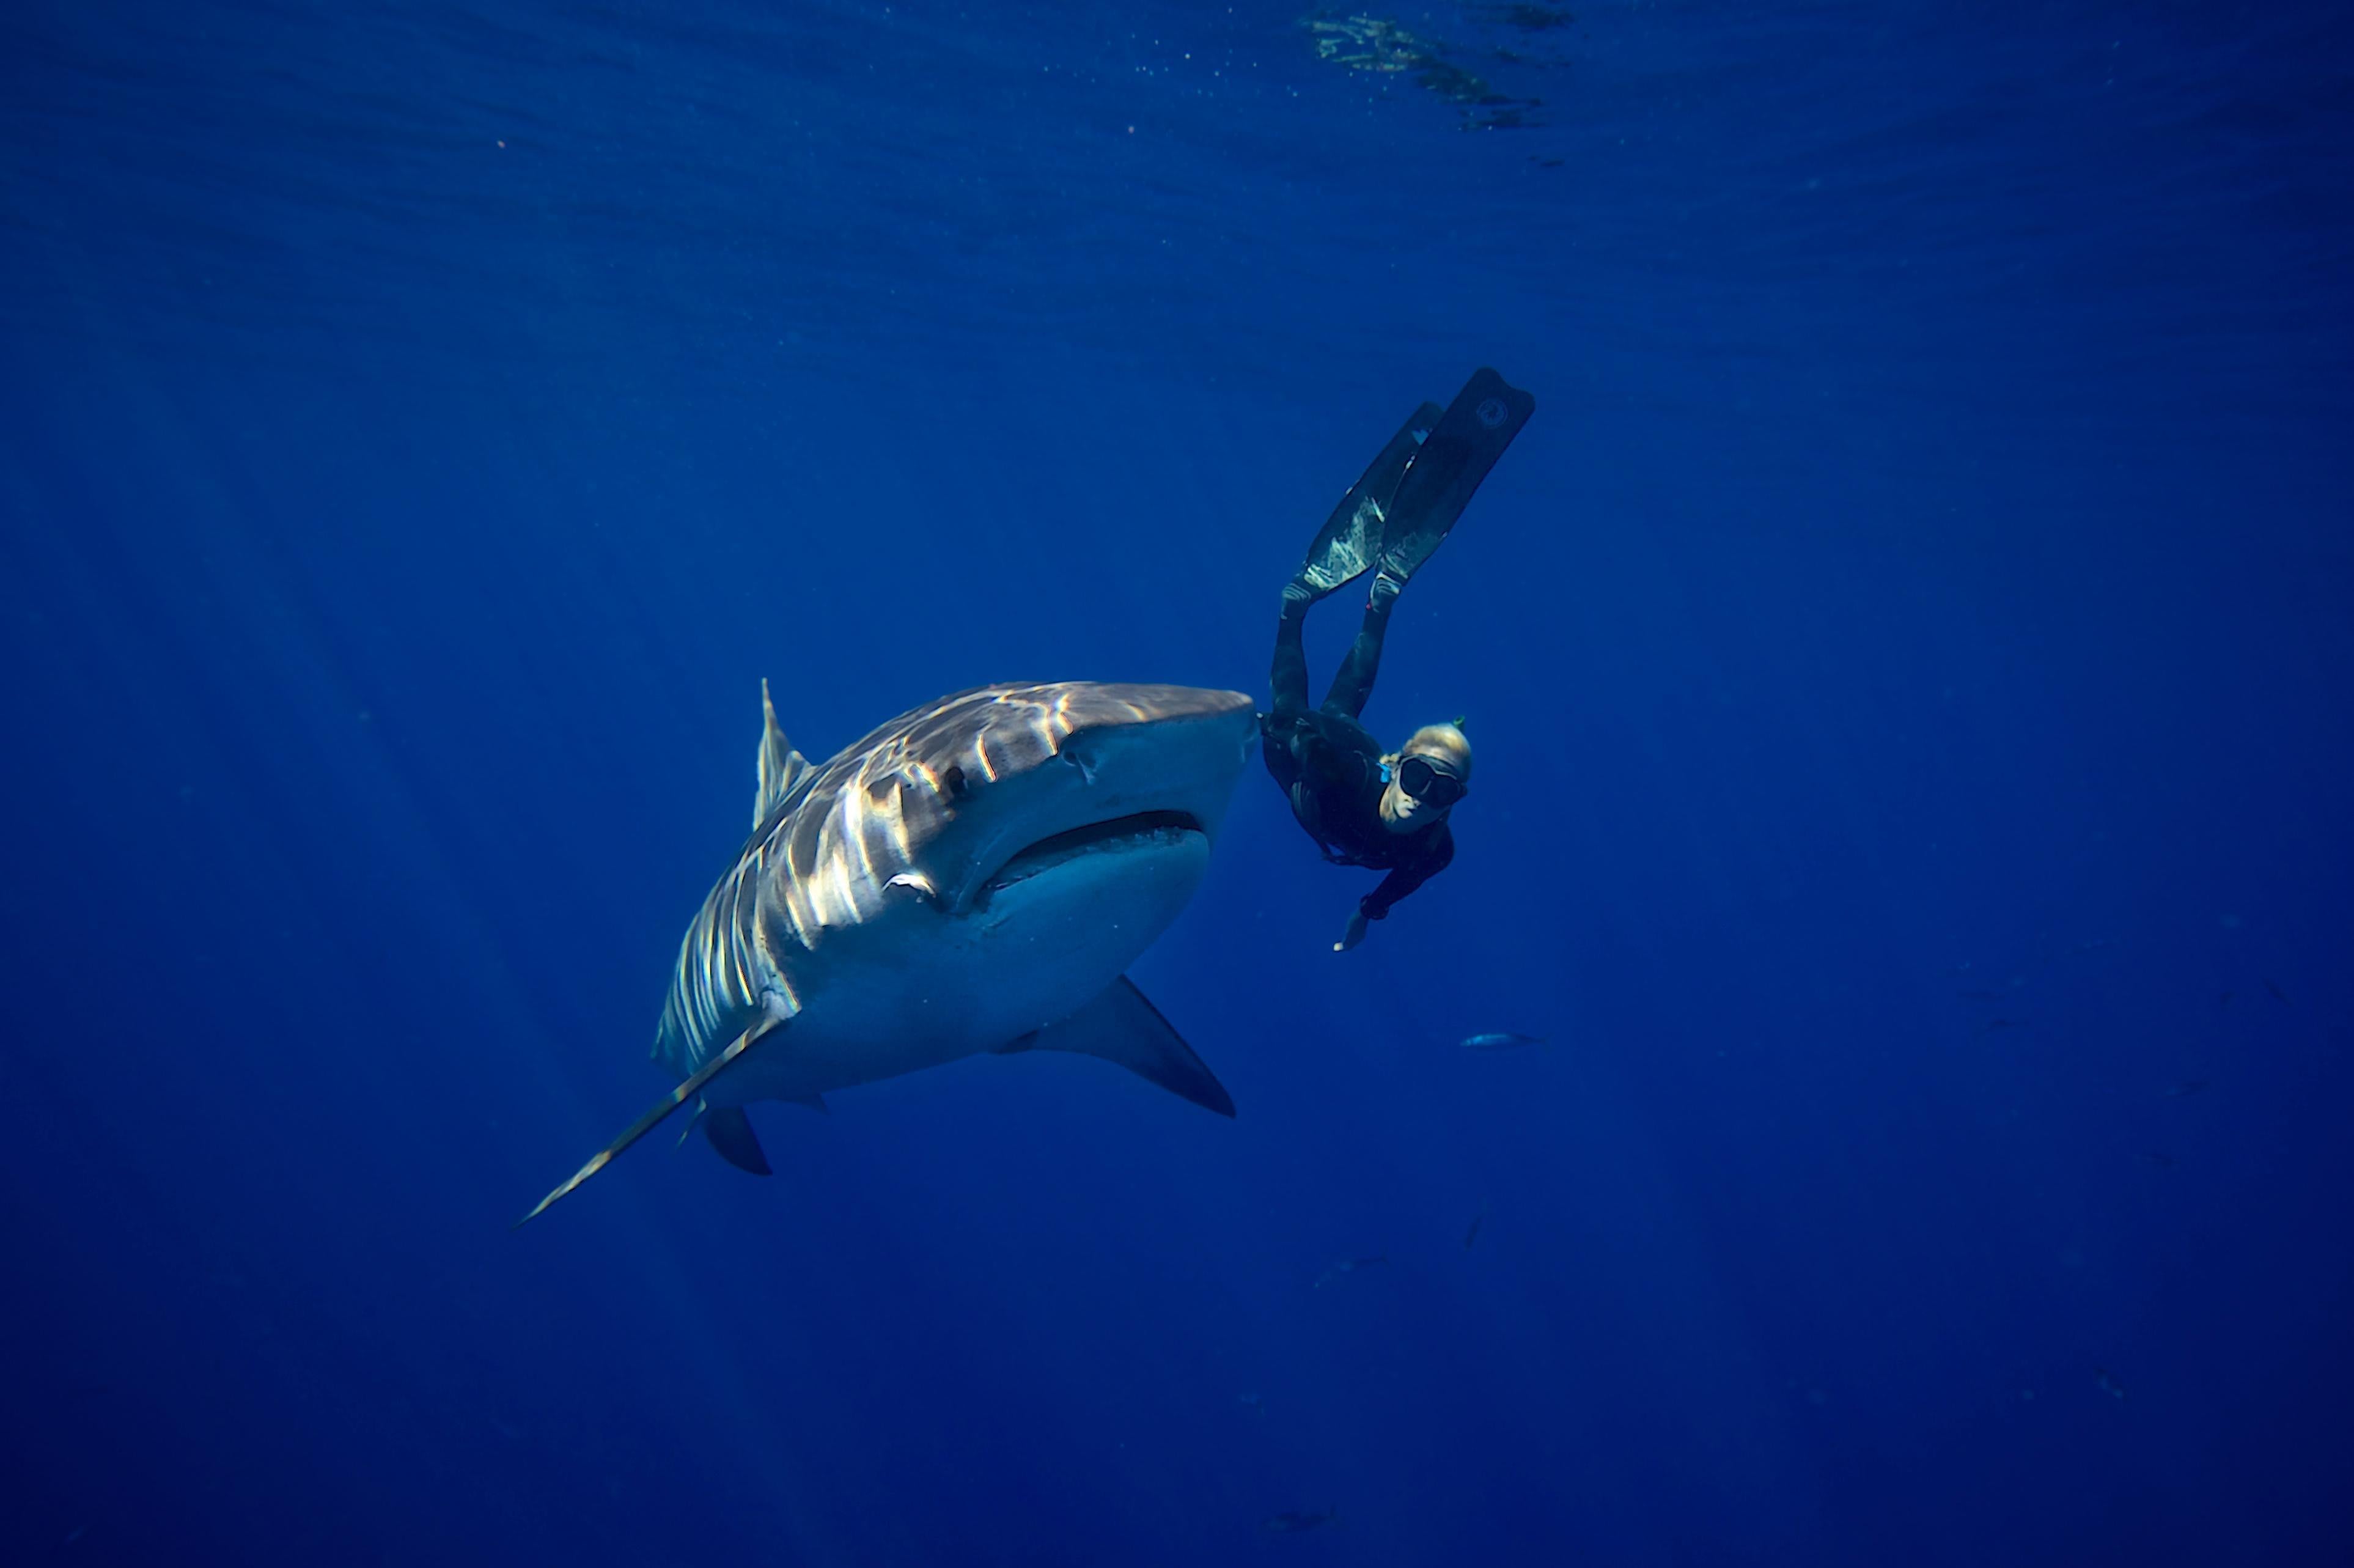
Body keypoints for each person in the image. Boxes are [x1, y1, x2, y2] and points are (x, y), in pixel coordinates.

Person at [1261, 367, 1534, 952]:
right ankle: (1299, 607)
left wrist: (1365, 913)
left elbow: (1396, 885)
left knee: (1342, 705)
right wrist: (1251, 729)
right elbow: (1286, 730)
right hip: (1313, 756)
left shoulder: (1434, 851)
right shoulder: (1338, 775)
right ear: (1395, 766)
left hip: (1346, 749)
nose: (1420, 798)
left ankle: (1379, 598)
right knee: (1300, 710)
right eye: (1416, 778)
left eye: (1440, 792)